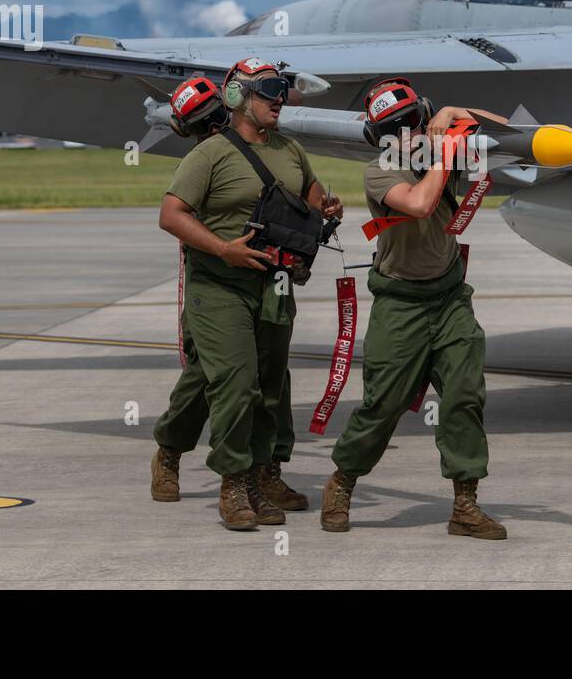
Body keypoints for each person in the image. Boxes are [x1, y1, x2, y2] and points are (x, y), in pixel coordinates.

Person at [149, 60, 342, 531]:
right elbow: (171, 214)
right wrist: (221, 248)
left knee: (271, 386)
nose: (280, 98)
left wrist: (326, 206)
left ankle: (264, 473)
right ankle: (230, 482)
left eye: (283, 90)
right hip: (219, 285)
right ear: (238, 98)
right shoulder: (210, 155)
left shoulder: (290, 150)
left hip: (273, 286)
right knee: (236, 384)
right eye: (271, 90)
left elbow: (310, 191)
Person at [320, 77, 506, 539]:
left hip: (448, 300)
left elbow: (503, 132)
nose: (406, 135)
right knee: (382, 405)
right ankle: (342, 482)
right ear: (379, 140)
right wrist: (443, 151)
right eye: (394, 131)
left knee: (464, 395)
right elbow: (421, 204)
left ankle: (465, 506)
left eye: (412, 122)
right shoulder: (379, 173)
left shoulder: (442, 149)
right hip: (400, 304)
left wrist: (456, 113)